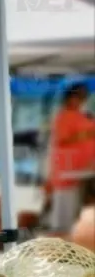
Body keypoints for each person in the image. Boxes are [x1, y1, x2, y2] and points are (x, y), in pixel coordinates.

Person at [45, 83, 95, 235]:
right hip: (68, 168)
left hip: (86, 168)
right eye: (77, 96)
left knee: (81, 207)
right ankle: (61, 236)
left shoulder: (85, 115)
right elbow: (63, 139)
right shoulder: (63, 116)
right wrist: (86, 135)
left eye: (83, 97)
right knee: (65, 207)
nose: (80, 100)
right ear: (69, 97)